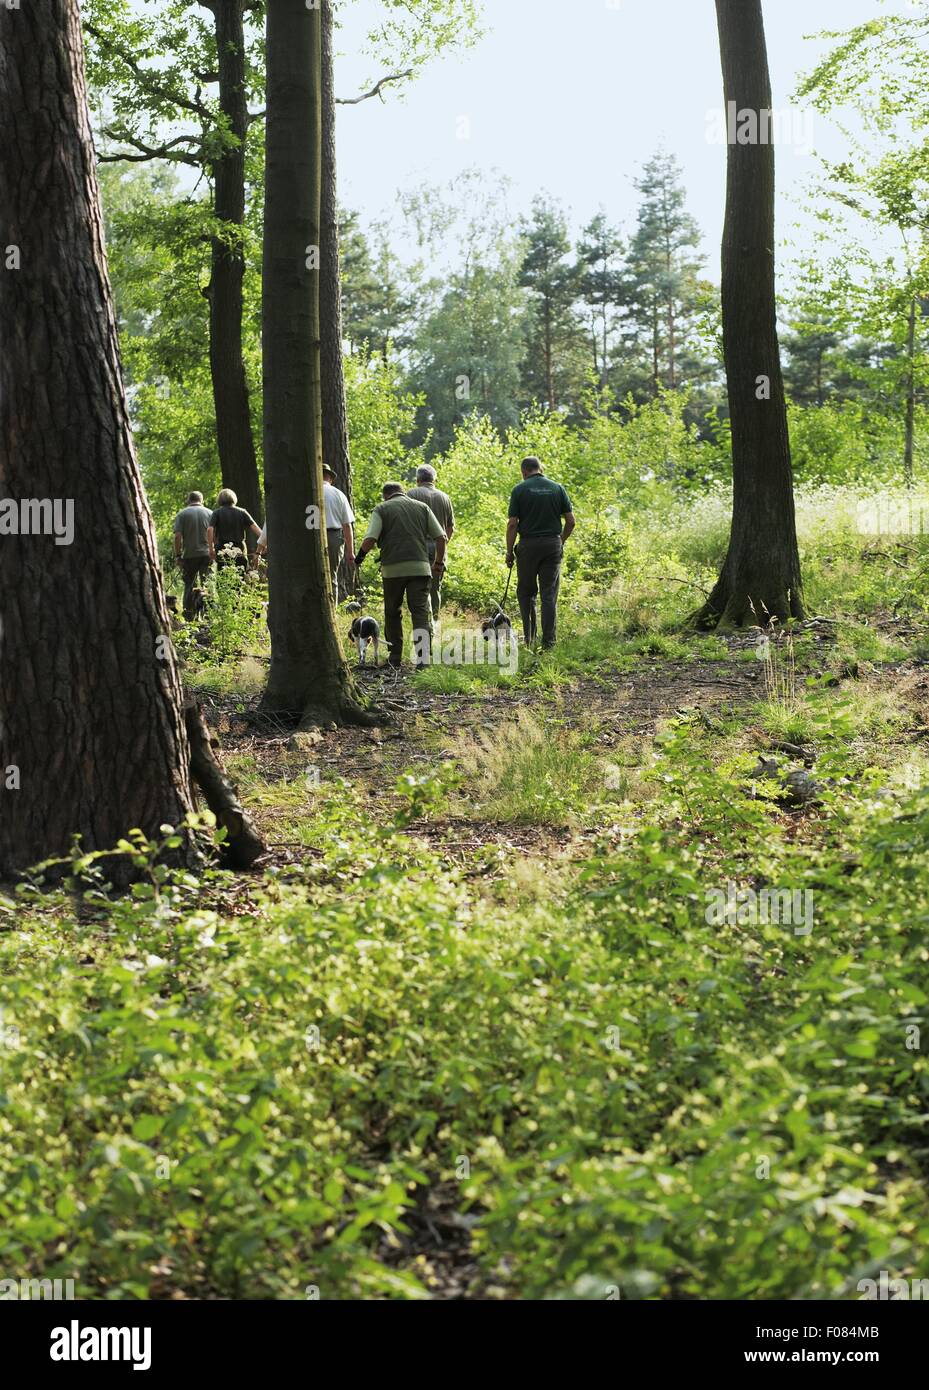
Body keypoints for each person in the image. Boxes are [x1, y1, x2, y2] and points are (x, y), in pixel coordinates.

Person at [355, 483, 447, 670]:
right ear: (403, 492)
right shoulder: (422, 507)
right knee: (420, 613)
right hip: (420, 568)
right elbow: (441, 537)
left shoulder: (382, 509)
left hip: (392, 570)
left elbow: (370, 539)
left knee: (392, 612)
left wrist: (359, 558)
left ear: (385, 496)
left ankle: (394, 658)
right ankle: (423, 660)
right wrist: (438, 563)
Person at [506, 456, 575, 650]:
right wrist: (559, 541)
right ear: (540, 469)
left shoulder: (519, 490)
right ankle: (549, 643)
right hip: (552, 545)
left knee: (526, 593)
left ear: (524, 471)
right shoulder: (557, 488)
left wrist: (509, 552)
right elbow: (571, 521)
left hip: (528, 546)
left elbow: (512, 524)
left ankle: (530, 639)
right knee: (549, 594)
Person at [407, 465, 455, 620]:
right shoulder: (445, 497)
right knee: (435, 588)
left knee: (416, 587)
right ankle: (435, 621)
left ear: (418, 479)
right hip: (438, 548)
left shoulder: (411, 494)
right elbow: (450, 528)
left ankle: (420, 621)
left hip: (417, 548)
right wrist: (442, 546)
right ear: (434, 480)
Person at [173, 490, 213, 619]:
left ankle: (189, 615)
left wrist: (178, 555)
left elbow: (177, 536)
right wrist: (213, 551)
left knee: (189, 585)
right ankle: (208, 614)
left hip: (189, 556)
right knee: (207, 584)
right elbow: (215, 535)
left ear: (189, 500)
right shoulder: (210, 513)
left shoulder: (182, 514)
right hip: (207, 554)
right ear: (202, 500)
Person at [322, 465, 356, 603]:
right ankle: (332, 610)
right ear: (330, 478)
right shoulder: (338, 494)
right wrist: (350, 551)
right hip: (333, 537)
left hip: (309, 537)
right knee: (331, 576)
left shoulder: (305, 492)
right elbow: (347, 525)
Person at [207, 488, 261, 571]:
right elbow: (256, 528)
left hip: (222, 548)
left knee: (223, 575)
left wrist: (211, 549)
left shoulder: (217, 513)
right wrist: (264, 543)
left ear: (219, 500)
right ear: (233, 498)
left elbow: (210, 530)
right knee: (240, 575)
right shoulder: (242, 512)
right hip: (239, 548)